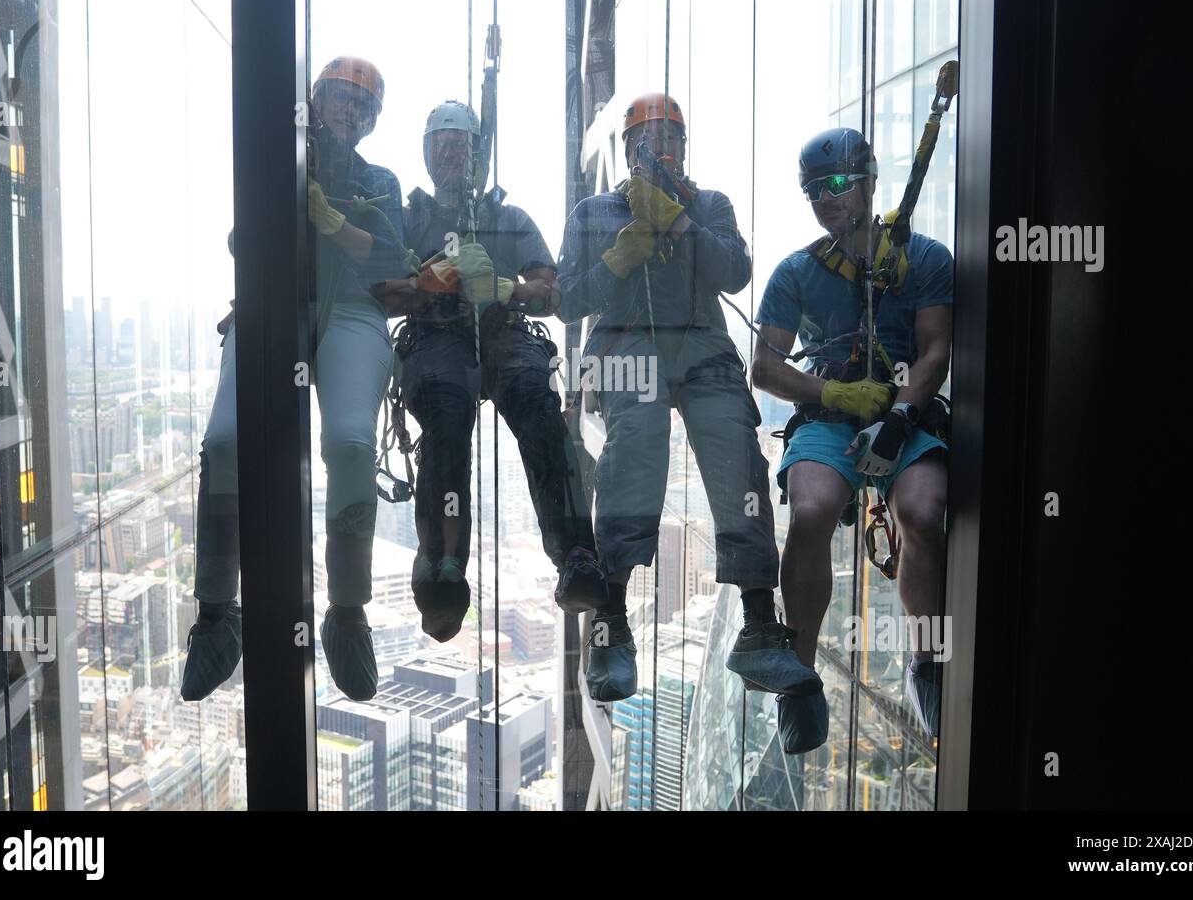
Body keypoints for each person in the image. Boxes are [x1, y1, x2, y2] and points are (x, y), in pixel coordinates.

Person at [557, 92, 821, 703]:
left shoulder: (708, 205)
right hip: (626, 343)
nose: (659, 151)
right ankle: (611, 618)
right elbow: (569, 301)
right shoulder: (594, 213)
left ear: (683, 149)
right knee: (636, 442)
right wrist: (621, 257)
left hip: (701, 345)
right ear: (627, 152)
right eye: (647, 142)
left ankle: (758, 619)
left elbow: (734, 271)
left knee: (735, 446)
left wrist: (677, 220)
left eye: (669, 141)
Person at [181, 56, 415, 703]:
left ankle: (346, 610)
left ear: (369, 121)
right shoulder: (280, 163)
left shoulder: (381, 181)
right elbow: (241, 242)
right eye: (339, 98)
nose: (348, 109)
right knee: (225, 442)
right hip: (274, 304)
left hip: (352, 310)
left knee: (347, 444)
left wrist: (329, 218)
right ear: (317, 103)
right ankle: (218, 612)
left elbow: (393, 258)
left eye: (359, 105)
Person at [751, 127, 952, 752]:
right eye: (813, 190)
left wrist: (898, 418)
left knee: (921, 511)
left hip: (906, 411)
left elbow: (936, 348)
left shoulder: (922, 259)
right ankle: (801, 678)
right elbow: (765, 366)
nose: (825, 199)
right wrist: (831, 395)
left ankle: (925, 661)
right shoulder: (797, 272)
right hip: (832, 414)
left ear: (868, 182)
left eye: (837, 184)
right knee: (809, 512)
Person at [394, 100, 608, 644]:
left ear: (479, 157)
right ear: (427, 155)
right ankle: (442, 565)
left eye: (460, 148)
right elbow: (381, 290)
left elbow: (552, 294)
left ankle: (576, 553)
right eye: (442, 148)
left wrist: (504, 289)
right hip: (438, 336)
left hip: (503, 334)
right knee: (445, 421)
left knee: (537, 405)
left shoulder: (508, 221)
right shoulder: (409, 218)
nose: (451, 158)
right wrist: (428, 283)